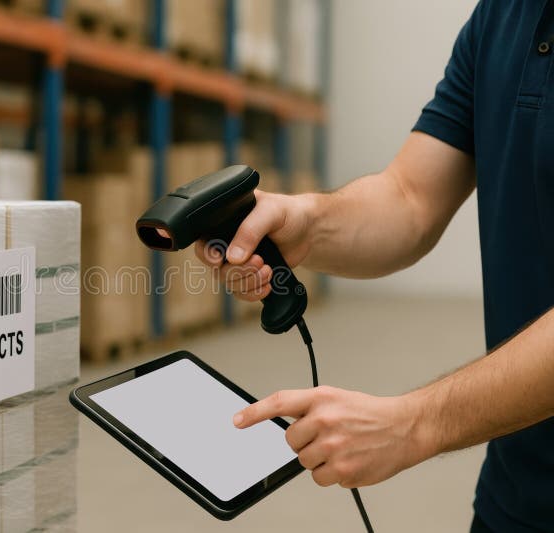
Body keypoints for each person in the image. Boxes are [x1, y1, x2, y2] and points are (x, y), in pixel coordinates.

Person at [194, 2, 554, 531]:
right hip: (515, 500)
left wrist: (416, 423)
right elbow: (410, 199)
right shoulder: (501, 16)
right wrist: (306, 222)